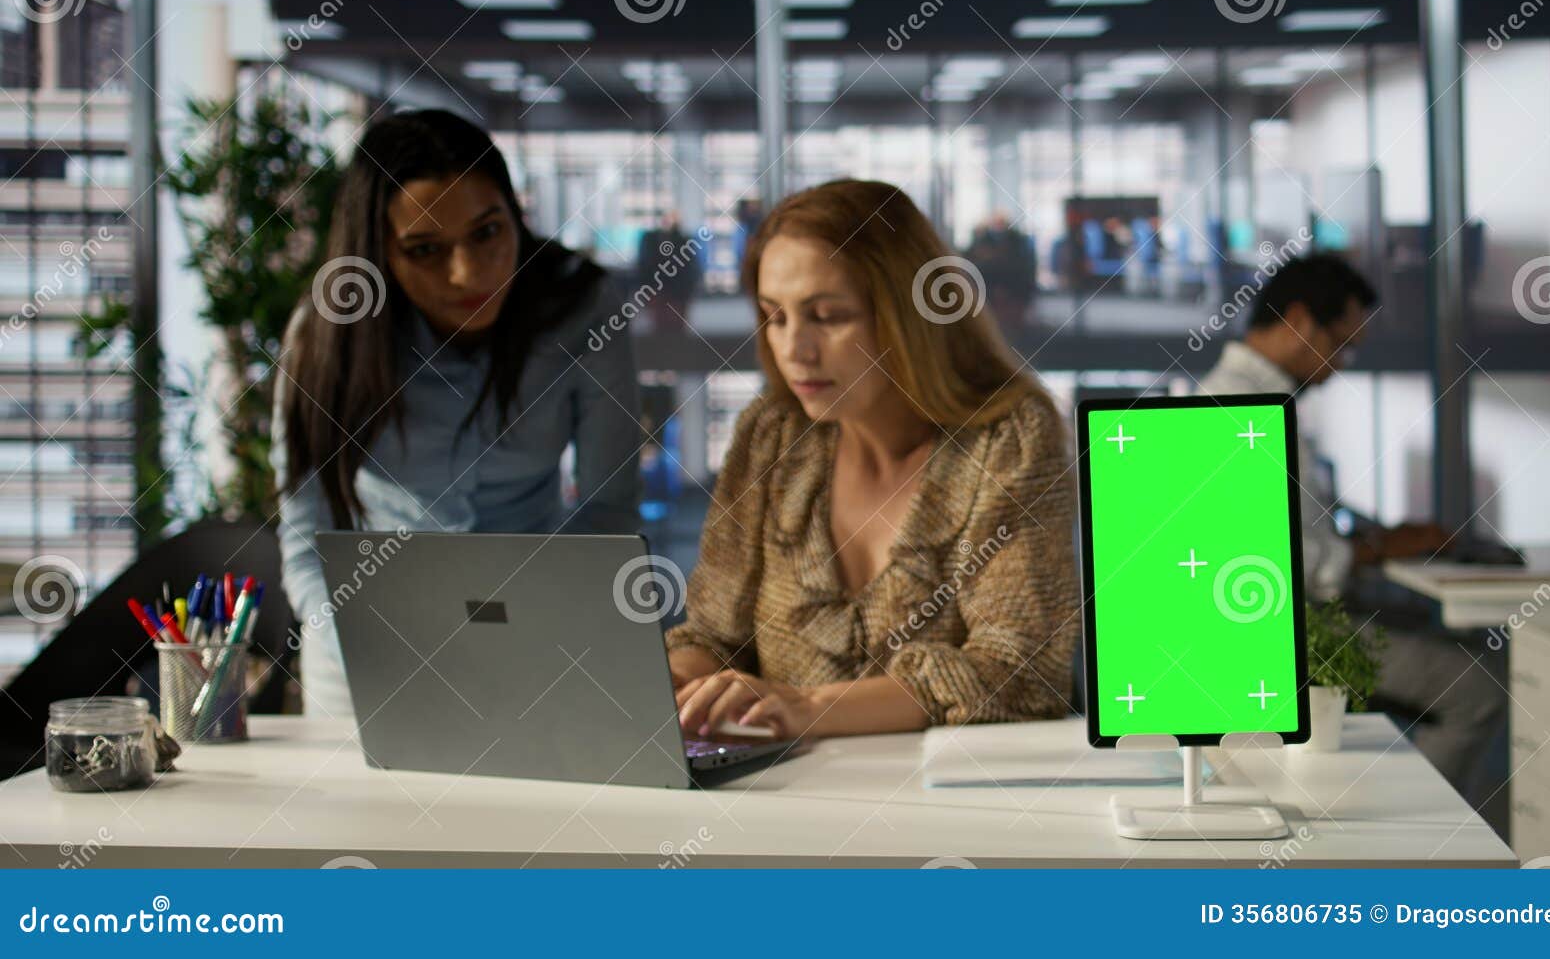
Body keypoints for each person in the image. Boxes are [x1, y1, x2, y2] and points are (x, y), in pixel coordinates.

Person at [668, 180, 1079, 741]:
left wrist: (807, 706)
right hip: (781, 802)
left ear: (906, 314)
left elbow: (1020, 674)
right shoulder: (771, 433)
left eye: (828, 316)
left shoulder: (1010, 436)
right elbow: (715, 637)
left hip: (950, 811)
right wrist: (669, 683)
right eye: (775, 317)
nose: (794, 350)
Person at [272, 109, 642, 717]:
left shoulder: (583, 305)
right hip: (366, 652)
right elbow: (306, 539)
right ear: (378, 254)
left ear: (515, 214)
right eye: (425, 249)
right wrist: (361, 643)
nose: (468, 273)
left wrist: (533, 632)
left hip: (537, 639)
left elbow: (609, 512)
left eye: (488, 233)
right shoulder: (327, 333)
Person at [1195, 254, 1503, 796]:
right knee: (1477, 689)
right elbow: (1277, 563)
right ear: (1297, 320)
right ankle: (1402, 835)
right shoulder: (1241, 408)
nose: (1340, 364)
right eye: (1340, 344)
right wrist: (1374, 552)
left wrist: (1373, 545)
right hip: (1292, 635)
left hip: (1303, 620)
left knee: (1453, 640)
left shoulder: (1260, 400)